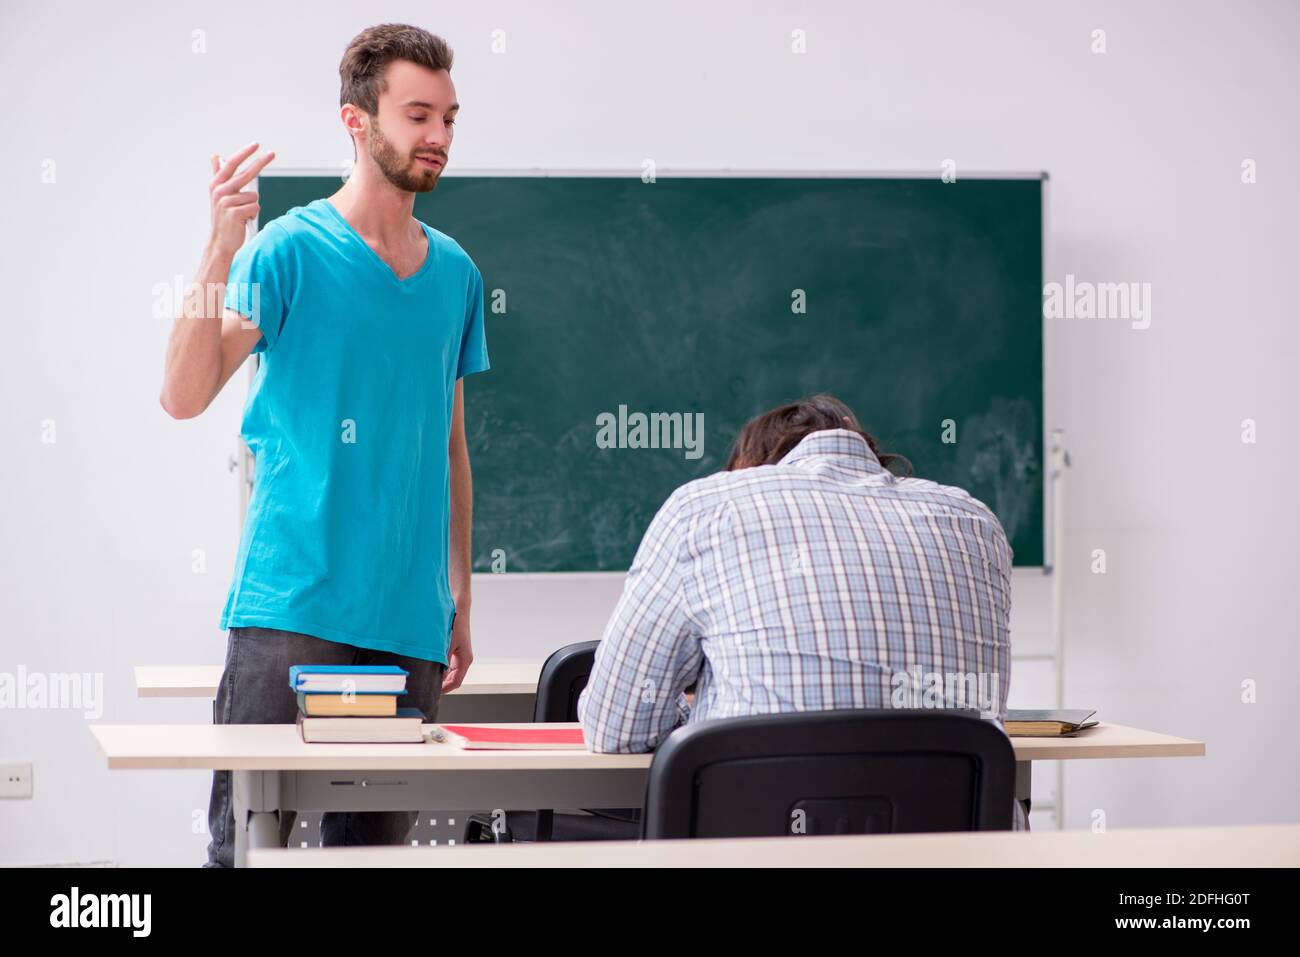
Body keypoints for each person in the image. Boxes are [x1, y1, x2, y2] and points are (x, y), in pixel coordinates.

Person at [157, 24, 489, 866]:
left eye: (450, 117)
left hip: (408, 620)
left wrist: (459, 591)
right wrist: (218, 247)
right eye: (419, 115)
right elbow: (184, 393)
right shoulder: (288, 251)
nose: (440, 138)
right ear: (357, 121)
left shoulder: (456, 274)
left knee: (369, 859)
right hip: (290, 607)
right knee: (241, 848)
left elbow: (449, 443)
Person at [578, 394, 1027, 829]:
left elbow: (616, 729)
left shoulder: (703, 508)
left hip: (754, 850)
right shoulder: (974, 520)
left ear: (751, 466)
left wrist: (699, 714)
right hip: (959, 854)